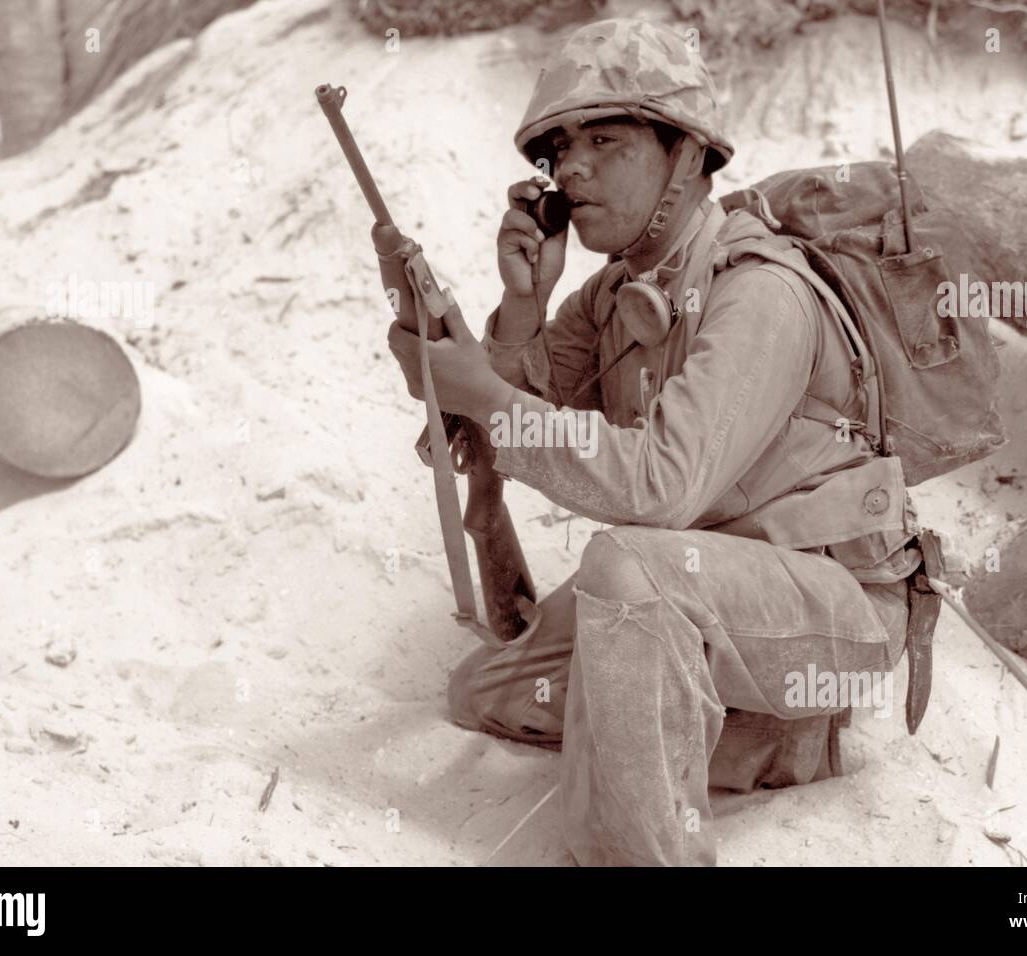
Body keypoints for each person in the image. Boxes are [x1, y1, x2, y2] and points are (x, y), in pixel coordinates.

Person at [387, 17, 920, 866]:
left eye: (604, 140)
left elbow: (658, 489)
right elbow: (519, 423)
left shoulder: (761, 292)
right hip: (706, 592)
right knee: (490, 690)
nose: (572, 168)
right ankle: (762, 743)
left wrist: (485, 392)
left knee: (628, 566)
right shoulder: (615, 294)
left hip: (832, 607)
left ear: (687, 156)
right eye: (558, 150)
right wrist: (518, 307)